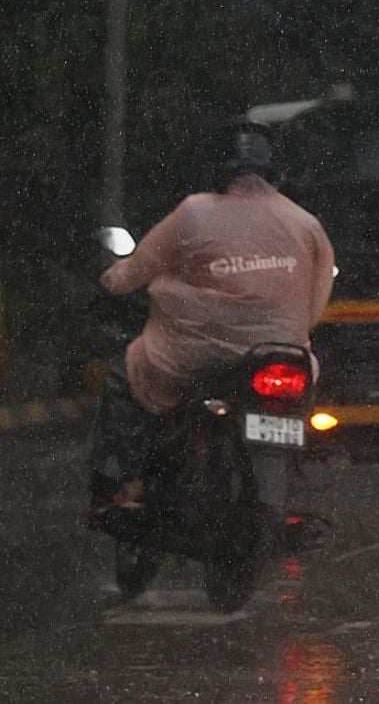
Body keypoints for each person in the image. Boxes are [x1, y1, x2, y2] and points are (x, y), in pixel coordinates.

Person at [89, 121, 336, 512]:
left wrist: (109, 280)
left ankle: (124, 481)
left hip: (191, 355)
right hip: (280, 356)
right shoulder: (306, 225)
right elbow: (315, 304)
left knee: (124, 375)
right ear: (275, 171)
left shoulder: (194, 215)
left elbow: (132, 273)